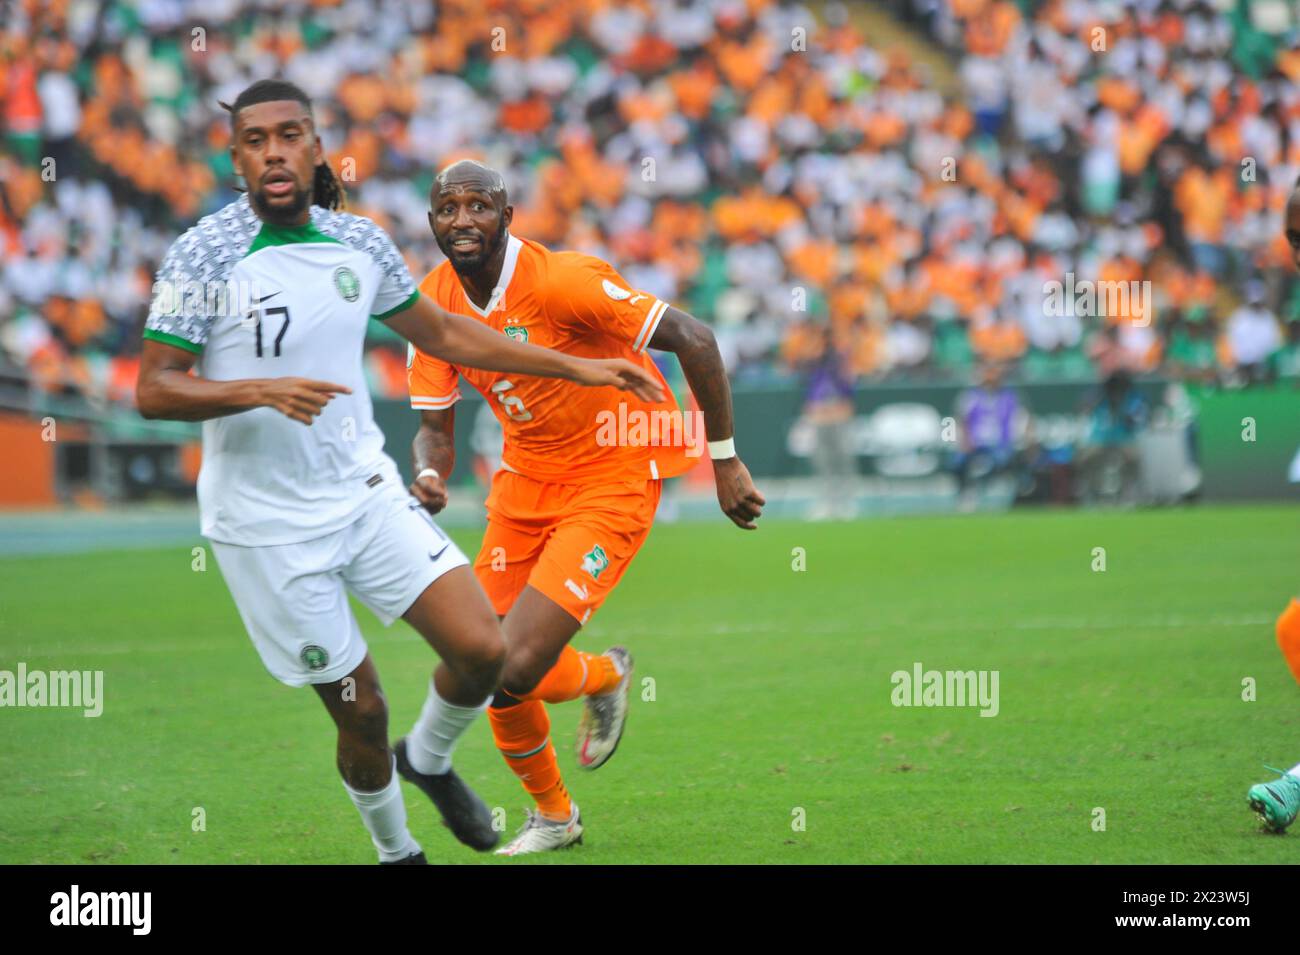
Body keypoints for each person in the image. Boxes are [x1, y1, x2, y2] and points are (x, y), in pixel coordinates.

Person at [134, 81, 664, 864]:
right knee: (363, 713)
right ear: (236, 155)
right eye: (256, 140)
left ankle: (432, 759)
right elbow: (154, 387)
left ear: (316, 147)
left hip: (364, 494)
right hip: (268, 528)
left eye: (290, 135)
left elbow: (450, 332)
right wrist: (258, 389)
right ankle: (397, 851)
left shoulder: (361, 242)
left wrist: (579, 369)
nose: (274, 152)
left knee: (484, 651)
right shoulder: (202, 254)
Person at [405, 160, 766, 855]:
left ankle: (602, 677)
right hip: (524, 483)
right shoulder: (432, 303)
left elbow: (695, 337)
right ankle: (558, 810)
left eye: (479, 207)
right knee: (480, 660)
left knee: (514, 666)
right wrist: (428, 471)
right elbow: (434, 427)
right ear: (431, 223)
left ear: (507, 217)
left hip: (614, 469)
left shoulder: (563, 281)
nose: (462, 221)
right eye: (447, 210)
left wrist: (724, 458)